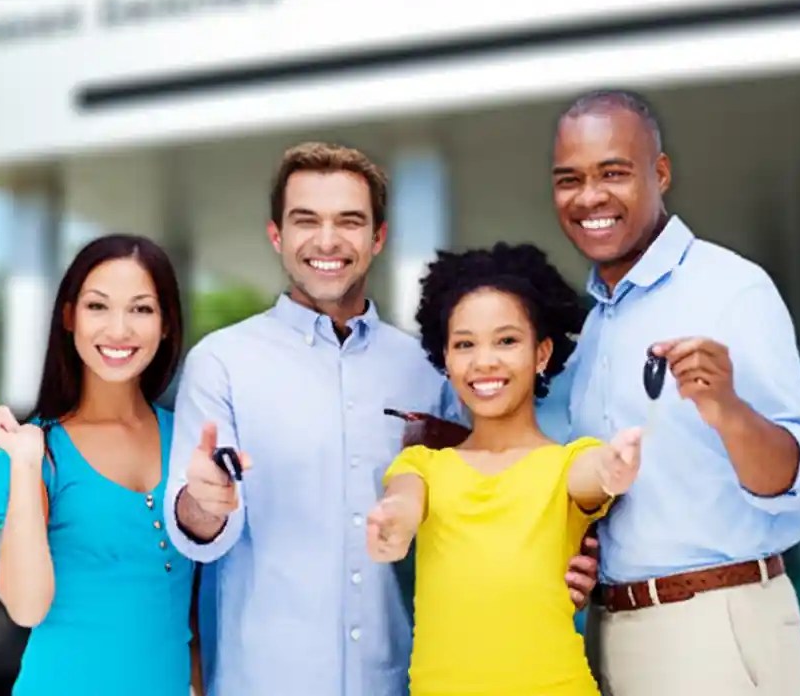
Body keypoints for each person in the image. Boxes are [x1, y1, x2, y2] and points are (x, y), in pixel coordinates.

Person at [164, 141, 599, 696]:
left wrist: (564, 554)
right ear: (277, 235)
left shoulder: (431, 368)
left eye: (349, 221)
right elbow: (197, 531)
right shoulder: (222, 363)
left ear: (378, 239)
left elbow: (490, 497)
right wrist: (205, 501)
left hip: (399, 681)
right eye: (306, 221)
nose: (327, 241)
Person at [549, 89, 800, 695]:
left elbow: (799, 474)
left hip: (712, 624)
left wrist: (726, 409)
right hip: (609, 625)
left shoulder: (730, 289)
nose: (589, 196)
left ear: (662, 173)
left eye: (613, 173)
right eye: (568, 179)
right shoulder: (594, 323)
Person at [366, 242, 643, 695]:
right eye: (464, 344)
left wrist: (613, 467)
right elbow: (403, 498)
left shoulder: (566, 462)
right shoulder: (424, 464)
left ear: (541, 353)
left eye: (507, 340)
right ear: (446, 359)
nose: (485, 361)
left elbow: (592, 475)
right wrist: (392, 523)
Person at [0, 234, 201, 695]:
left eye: (141, 309)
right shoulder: (40, 450)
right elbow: (25, 608)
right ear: (69, 316)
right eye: (98, 306)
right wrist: (24, 465)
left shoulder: (188, 439)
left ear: (166, 325)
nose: (118, 330)